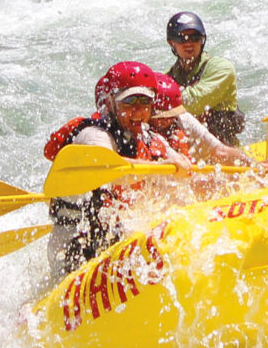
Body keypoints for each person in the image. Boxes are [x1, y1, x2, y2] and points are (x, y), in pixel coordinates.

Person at [45, 61, 191, 279]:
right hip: (73, 243)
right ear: (111, 102)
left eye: (145, 102)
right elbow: (110, 170)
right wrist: (161, 167)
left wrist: (181, 165)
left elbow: (181, 172)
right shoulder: (94, 135)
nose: (138, 110)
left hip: (111, 236)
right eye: (129, 101)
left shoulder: (148, 137)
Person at [166, 11, 245, 146]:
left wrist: (166, 98)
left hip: (226, 151)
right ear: (171, 42)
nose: (189, 43)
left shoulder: (222, 69)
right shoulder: (168, 77)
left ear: (202, 39)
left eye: (194, 37)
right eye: (182, 38)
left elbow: (194, 103)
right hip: (186, 152)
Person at [150, 72, 256, 167]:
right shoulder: (145, 132)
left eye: (171, 116)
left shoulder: (182, 119)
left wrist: (253, 164)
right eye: (160, 117)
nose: (166, 120)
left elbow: (220, 151)